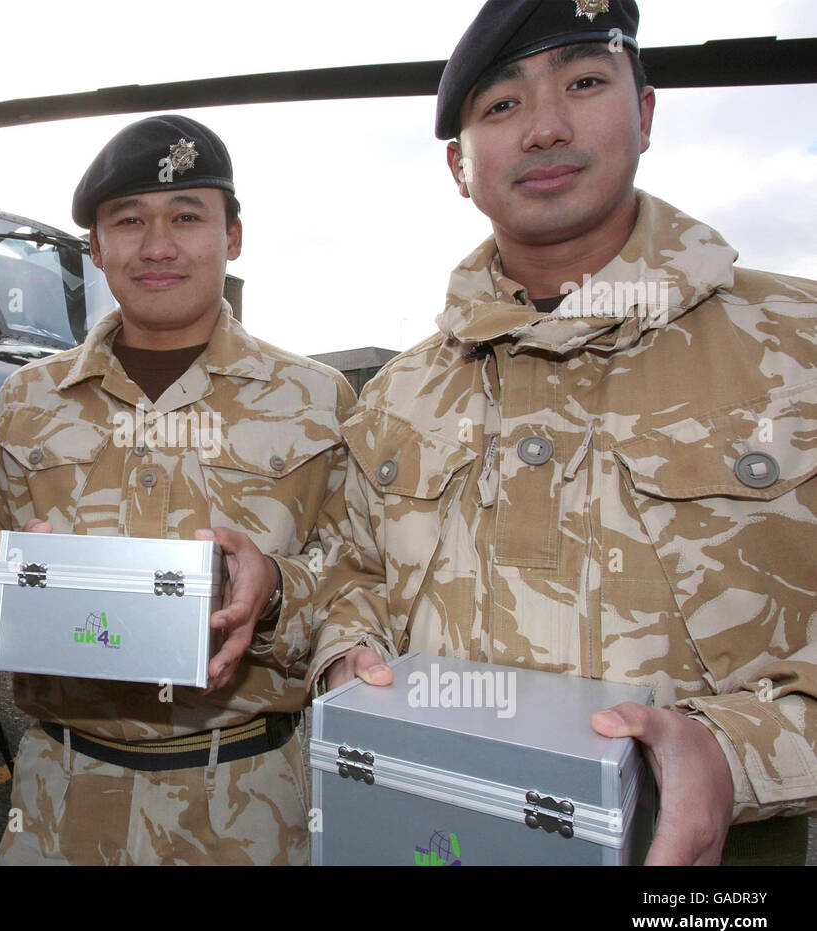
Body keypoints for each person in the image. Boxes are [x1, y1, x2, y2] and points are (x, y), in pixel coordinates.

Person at [311, 0, 817, 866]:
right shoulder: (398, 394)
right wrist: (345, 661)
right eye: (500, 107)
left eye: (583, 83)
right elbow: (350, 570)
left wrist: (737, 755)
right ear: (459, 168)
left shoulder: (797, 348)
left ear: (646, 113)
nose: (545, 128)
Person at [0, 115, 355, 864]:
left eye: (187, 217)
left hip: (244, 804)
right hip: (57, 800)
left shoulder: (318, 399)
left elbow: (363, 584)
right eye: (129, 222)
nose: (157, 246)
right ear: (96, 247)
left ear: (233, 237)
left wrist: (276, 586)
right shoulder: (26, 401)